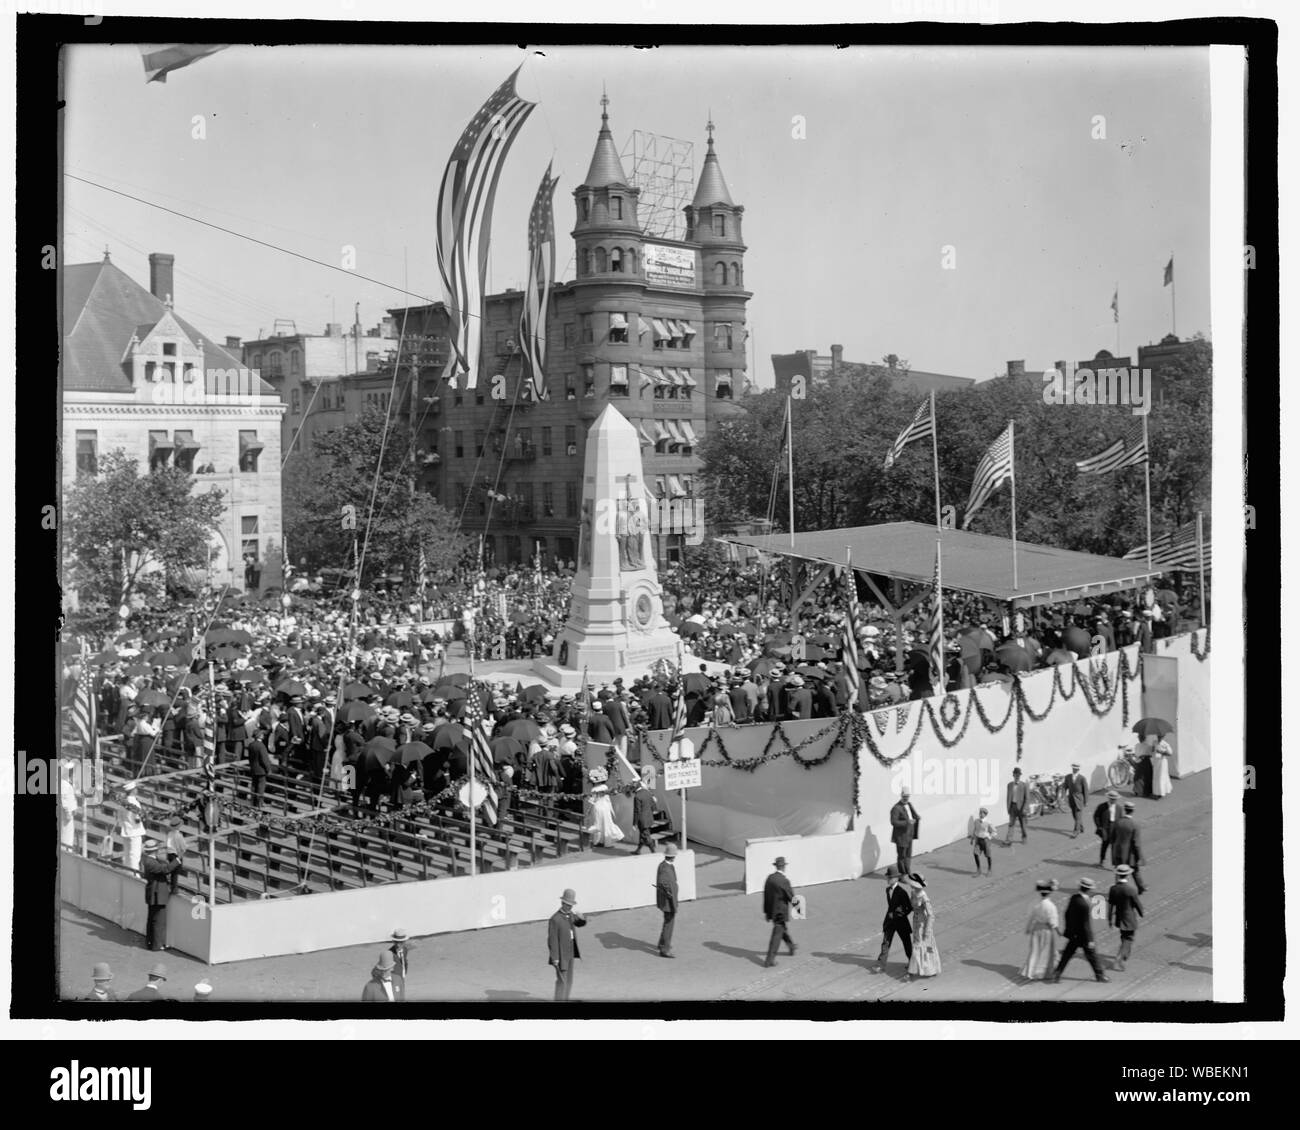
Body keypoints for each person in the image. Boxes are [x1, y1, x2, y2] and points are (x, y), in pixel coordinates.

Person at [1050, 878, 1110, 983]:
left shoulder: (1074, 898)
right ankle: (1100, 975)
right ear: (1088, 889)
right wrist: (1090, 939)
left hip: (1074, 935)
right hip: (1083, 936)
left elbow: (1067, 914)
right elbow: (1085, 924)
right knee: (1092, 956)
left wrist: (1069, 930)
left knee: (1067, 955)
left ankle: (1057, 974)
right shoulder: (1085, 904)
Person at [140, 838, 182, 951]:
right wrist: (177, 861)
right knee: (159, 921)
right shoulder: (150, 861)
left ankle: (152, 943)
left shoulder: (147, 859)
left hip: (154, 892)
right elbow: (165, 869)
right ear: (154, 850)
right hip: (157, 893)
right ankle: (157, 945)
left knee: (153, 919)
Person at [547, 889, 586, 1001]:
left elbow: (579, 924)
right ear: (562, 903)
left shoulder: (570, 915)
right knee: (562, 981)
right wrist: (555, 958)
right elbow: (552, 940)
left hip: (570, 952)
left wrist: (582, 918)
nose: (569, 907)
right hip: (561, 955)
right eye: (567, 905)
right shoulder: (555, 919)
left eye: (571, 905)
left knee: (569, 980)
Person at [874, 864, 914, 973]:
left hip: (901, 922)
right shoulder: (887, 890)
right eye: (888, 877)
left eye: (890, 877)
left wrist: (897, 914)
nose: (888, 879)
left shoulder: (902, 892)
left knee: (906, 943)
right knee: (886, 942)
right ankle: (881, 964)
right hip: (890, 922)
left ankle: (912, 962)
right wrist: (889, 916)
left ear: (896, 878)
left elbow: (909, 908)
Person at [1020, 880, 1060, 980]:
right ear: (1049, 893)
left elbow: (1031, 917)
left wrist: (1028, 928)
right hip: (1046, 930)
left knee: (1034, 951)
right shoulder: (1051, 906)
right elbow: (1053, 922)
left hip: (1036, 929)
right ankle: (1045, 972)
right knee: (1047, 952)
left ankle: (1029, 971)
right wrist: (1059, 932)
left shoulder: (1035, 903)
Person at [1107, 864, 1145, 972]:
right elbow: (1137, 903)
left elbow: (1110, 905)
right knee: (1129, 938)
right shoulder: (1131, 889)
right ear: (1127, 876)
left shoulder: (1113, 889)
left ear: (1118, 875)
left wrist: (1109, 919)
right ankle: (1119, 957)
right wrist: (1141, 912)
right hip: (1129, 917)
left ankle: (1125, 954)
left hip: (1119, 917)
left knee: (1124, 936)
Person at [904, 872, 941, 980]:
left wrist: (927, 930)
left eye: (912, 884)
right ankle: (923, 968)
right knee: (918, 945)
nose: (911, 885)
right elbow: (911, 906)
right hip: (915, 922)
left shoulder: (924, 897)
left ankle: (911, 971)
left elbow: (931, 915)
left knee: (920, 946)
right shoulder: (913, 893)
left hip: (923, 924)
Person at [762, 856, 797, 968]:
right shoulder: (784, 881)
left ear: (776, 866)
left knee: (781, 929)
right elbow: (791, 896)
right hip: (780, 912)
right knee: (776, 935)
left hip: (772, 911)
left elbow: (766, 896)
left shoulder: (770, 878)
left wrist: (767, 912)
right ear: (784, 867)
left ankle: (791, 946)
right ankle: (769, 960)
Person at [582, 767, 625, 847]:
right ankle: (607, 842)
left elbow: (592, 801)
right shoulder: (605, 787)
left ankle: (598, 841)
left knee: (598, 824)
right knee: (607, 824)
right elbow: (607, 799)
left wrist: (588, 810)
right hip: (605, 807)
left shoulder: (594, 789)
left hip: (597, 808)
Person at [1111, 801, 1146, 893]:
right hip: (1130, 853)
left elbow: (1113, 838)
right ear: (1132, 811)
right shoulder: (1135, 824)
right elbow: (1136, 843)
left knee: (1119, 871)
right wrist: (1139, 857)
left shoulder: (1117, 822)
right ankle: (1141, 886)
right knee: (1135, 870)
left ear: (1125, 810)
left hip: (1118, 851)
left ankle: (1117, 890)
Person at [656, 842, 679, 958]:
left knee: (667, 922)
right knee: (669, 924)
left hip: (666, 901)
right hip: (668, 902)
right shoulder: (666, 868)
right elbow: (664, 883)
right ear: (673, 856)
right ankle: (665, 949)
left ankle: (662, 944)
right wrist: (670, 894)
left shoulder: (663, 865)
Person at [890, 787, 920, 876]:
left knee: (908, 854)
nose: (906, 798)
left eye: (907, 796)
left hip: (910, 834)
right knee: (901, 856)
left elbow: (913, 814)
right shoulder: (896, 808)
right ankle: (902, 873)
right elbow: (893, 822)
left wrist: (917, 818)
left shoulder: (909, 804)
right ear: (901, 796)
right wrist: (907, 822)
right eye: (904, 796)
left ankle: (907, 871)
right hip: (901, 836)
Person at [1093, 789, 1120, 868]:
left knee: (1114, 847)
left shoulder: (1119, 808)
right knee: (1104, 845)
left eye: (1115, 799)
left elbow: (1121, 819)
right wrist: (1099, 827)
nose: (1113, 801)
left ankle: (1115, 863)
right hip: (1105, 828)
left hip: (1115, 829)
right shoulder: (1102, 806)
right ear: (1109, 798)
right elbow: (1096, 816)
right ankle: (1102, 861)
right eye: (1112, 799)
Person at [1004, 767, 1030, 845]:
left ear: (1020, 775)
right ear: (1013, 775)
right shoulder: (1009, 785)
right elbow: (1008, 797)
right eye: (1015, 774)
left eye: (1018, 775)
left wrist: (1025, 808)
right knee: (1011, 824)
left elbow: (1027, 798)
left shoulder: (1024, 785)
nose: (1017, 776)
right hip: (1013, 806)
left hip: (1021, 808)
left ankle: (1024, 838)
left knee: (1023, 825)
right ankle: (1008, 840)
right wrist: (1008, 808)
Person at [969, 806, 996, 876]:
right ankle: (979, 870)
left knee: (988, 855)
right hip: (978, 840)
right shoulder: (976, 821)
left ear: (985, 814)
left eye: (982, 813)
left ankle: (989, 870)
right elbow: (975, 830)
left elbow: (994, 831)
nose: (980, 814)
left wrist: (989, 837)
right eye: (980, 813)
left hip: (986, 841)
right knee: (975, 854)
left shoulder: (988, 822)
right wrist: (972, 839)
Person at [632, 783, 657, 854]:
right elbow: (653, 805)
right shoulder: (647, 792)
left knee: (646, 835)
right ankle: (638, 850)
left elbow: (637, 811)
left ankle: (653, 851)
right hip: (649, 817)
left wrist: (634, 823)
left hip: (642, 820)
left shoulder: (637, 796)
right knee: (643, 835)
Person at [1064, 762, 1089, 836]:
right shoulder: (1068, 777)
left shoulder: (1082, 778)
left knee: (1078, 815)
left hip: (1079, 799)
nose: (1074, 770)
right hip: (1071, 799)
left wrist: (1086, 801)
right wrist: (1063, 795)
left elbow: (1086, 790)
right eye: (1073, 768)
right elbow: (1064, 787)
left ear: (1078, 769)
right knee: (1074, 815)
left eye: (1076, 769)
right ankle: (1081, 827)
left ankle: (1076, 831)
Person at [389, 928, 412, 1001]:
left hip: (402, 977)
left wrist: (404, 972)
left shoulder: (405, 949)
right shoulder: (389, 953)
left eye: (401, 942)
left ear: (404, 942)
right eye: (396, 942)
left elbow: (404, 961)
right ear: (393, 941)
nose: (398, 945)